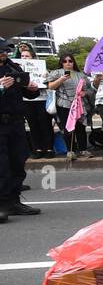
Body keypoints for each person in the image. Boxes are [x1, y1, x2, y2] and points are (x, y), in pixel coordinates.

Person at [0, 40, 42, 221]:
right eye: (1, 51)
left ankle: (14, 201)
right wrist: (1, 86)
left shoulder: (13, 67)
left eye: (6, 50)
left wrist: (31, 88)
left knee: (18, 162)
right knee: (2, 166)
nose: (4, 53)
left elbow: (29, 93)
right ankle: (2, 204)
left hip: (16, 122)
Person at [49, 52, 92, 159]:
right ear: (61, 63)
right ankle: (70, 151)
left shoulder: (81, 75)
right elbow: (50, 86)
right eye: (65, 61)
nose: (68, 63)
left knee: (80, 127)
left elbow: (90, 90)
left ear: (73, 62)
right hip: (63, 104)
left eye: (70, 61)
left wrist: (84, 93)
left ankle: (83, 149)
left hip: (79, 104)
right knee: (67, 128)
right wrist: (61, 79)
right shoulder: (56, 73)